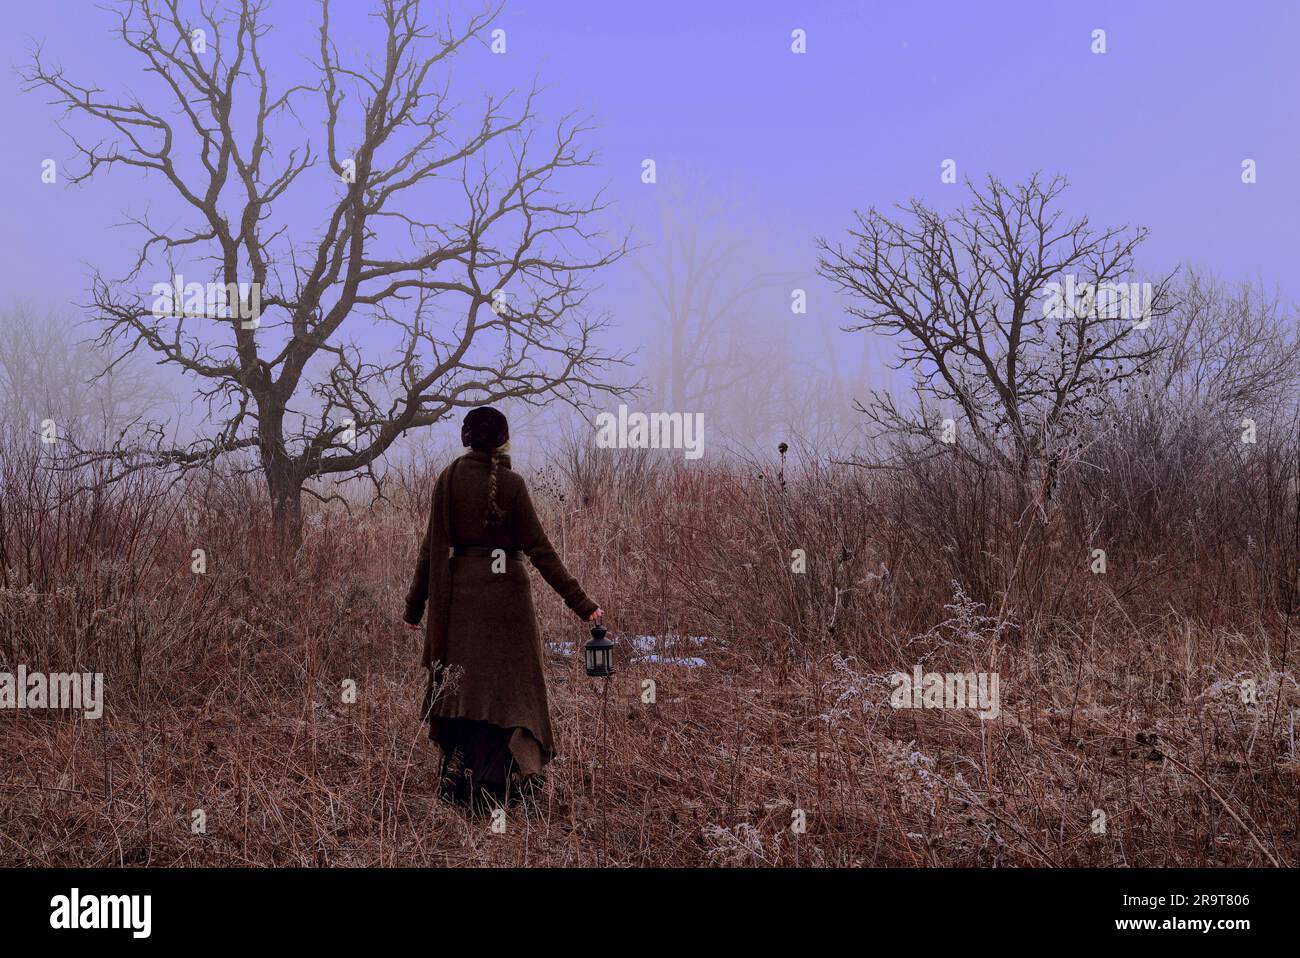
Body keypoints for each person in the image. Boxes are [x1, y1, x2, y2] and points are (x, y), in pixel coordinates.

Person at [403, 406, 603, 811]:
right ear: (502, 440)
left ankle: (463, 777)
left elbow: (430, 550)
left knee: (466, 689)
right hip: (508, 603)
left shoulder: (448, 479)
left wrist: (414, 608)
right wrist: (582, 604)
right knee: (510, 693)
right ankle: (503, 782)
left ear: (467, 438)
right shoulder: (512, 483)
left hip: (461, 602)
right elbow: (541, 551)